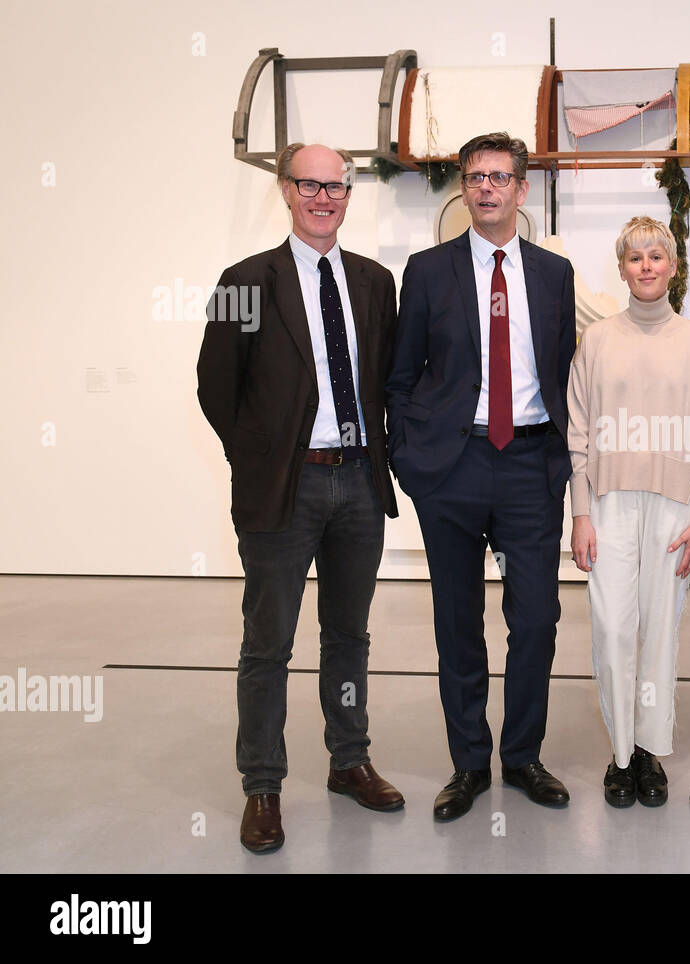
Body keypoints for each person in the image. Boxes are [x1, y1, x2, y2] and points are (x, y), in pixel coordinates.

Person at [197, 143, 404, 855]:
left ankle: (349, 760)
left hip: (357, 482)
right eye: (310, 184)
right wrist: (264, 459)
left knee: (349, 637)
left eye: (336, 186)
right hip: (285, 488)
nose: (324, 197)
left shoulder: (377, 284)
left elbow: (386, 382)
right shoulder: (242, 281)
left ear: (349, 195)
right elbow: (215, 390)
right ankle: (263, 784)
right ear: (286, 191)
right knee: (268, 645)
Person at [386, 132, 577, 821]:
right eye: (475, 177)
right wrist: (410, 458)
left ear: (522, 190)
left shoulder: (554, 276)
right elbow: (402, 376)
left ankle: (522, 756)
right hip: (453, 466)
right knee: (457, 622)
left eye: (500, 177)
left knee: (537, 621)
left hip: (529, 465)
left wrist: (561, 460)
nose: (486, 188)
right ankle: (469, 763)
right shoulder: (429, 271)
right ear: (463, 188)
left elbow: (563, 373)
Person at [568, 217, 690, 808]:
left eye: (656, 256)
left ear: (673, 266)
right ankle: (619, 752)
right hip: (609, 503)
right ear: (621, 268)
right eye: (635, 258)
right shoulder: (597, 340)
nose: (646, 266)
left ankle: (649, 753)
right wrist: (580, 512)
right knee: (613, 629)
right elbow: (579, 432)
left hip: (676, 504)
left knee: (660, 630)